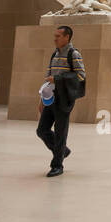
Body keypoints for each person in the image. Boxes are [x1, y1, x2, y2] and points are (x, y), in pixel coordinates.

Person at [37, 25, 85, 177]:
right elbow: (48, 77)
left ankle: (57, 165)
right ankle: (63, 151)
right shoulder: (54, 54)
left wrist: (58, 79)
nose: (55, 39)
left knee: (60, 132)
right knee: (42, 130)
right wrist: (41, 99)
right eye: (55, 36)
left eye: (58, 36)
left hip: (64, 99)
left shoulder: (74, 54)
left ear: (67, 37)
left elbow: (81, 76)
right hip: (50, 97)